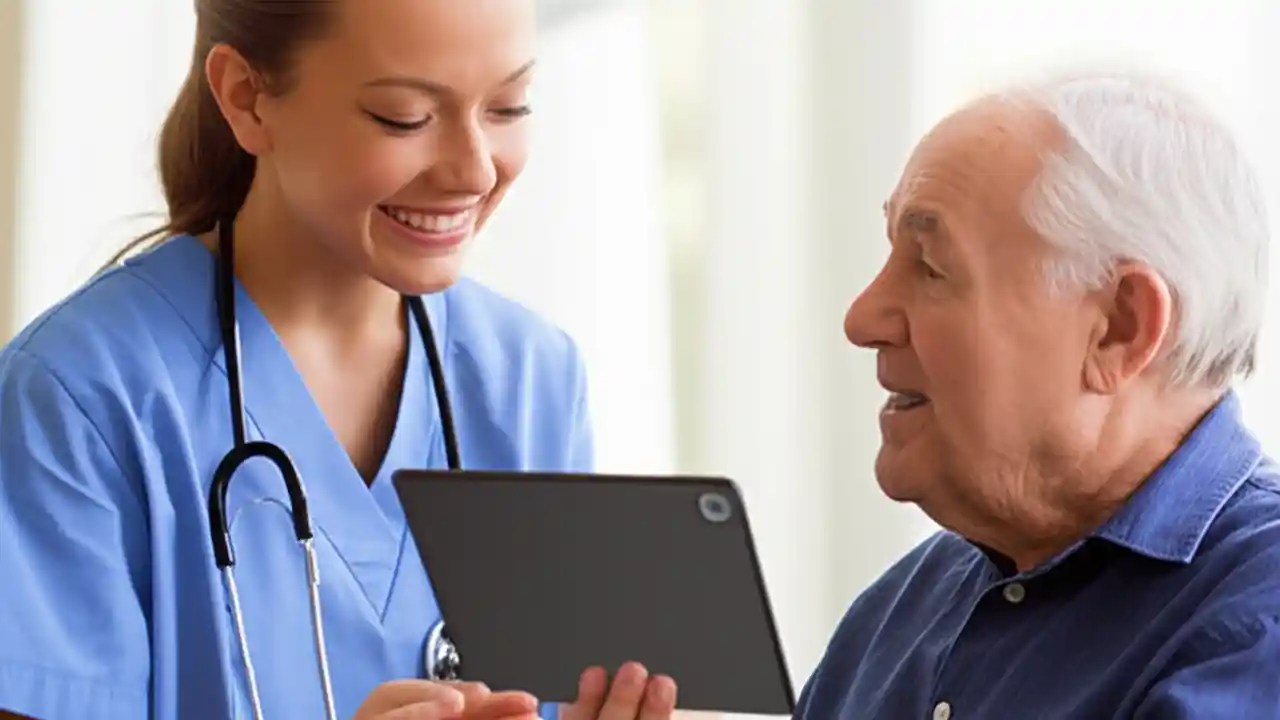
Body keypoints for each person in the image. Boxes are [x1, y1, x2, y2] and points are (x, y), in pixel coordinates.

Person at [0, 1, 680, 719]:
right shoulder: (79, 399)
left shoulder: (530, 382)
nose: (475, 170)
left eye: (508, 107)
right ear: (246, 97)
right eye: (404, 117)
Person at [796, 71, 1280, 718]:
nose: (862, 319)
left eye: (931, 268)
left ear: (1119, 328)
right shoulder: (895, 613)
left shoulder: (1256, 622)